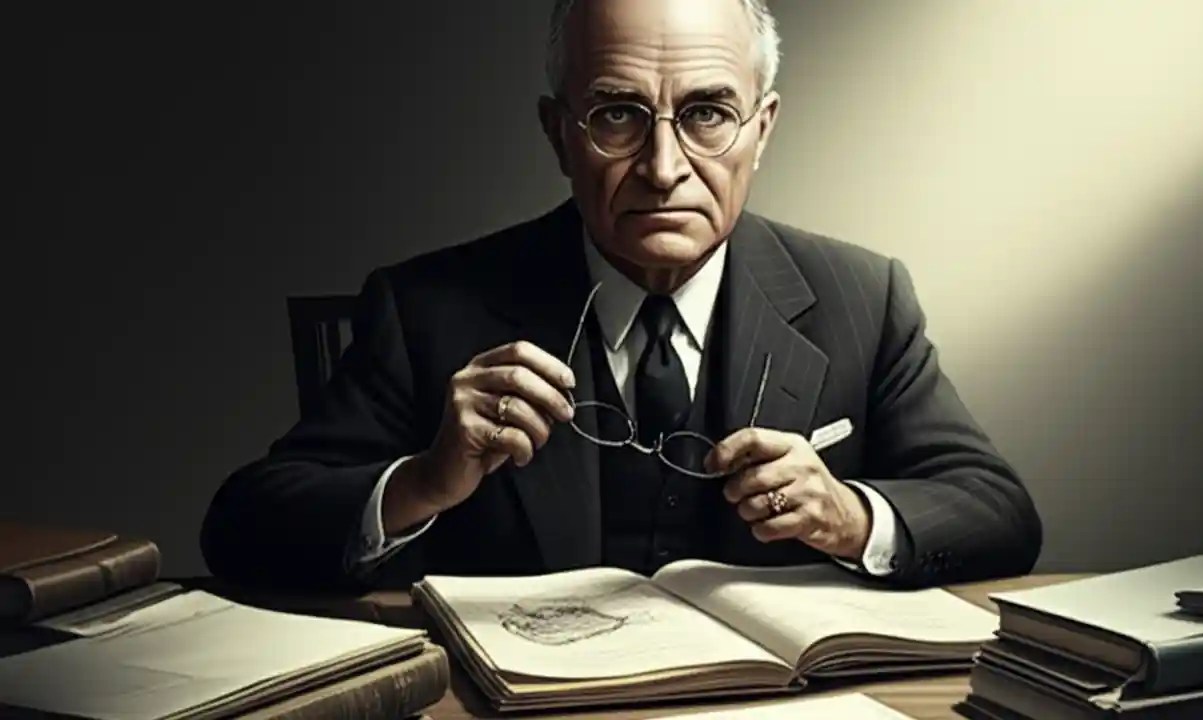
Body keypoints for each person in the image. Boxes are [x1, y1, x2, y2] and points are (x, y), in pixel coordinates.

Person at [200, 0, 1042, 592]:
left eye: (708, 112)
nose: (664, 168)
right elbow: (241, 527)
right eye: (617, 116)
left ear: (765, 126)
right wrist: (422, 480)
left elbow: (1000, 514)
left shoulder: (866, 295)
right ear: (557, 132)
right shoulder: (427, 309)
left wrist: (851, 518)